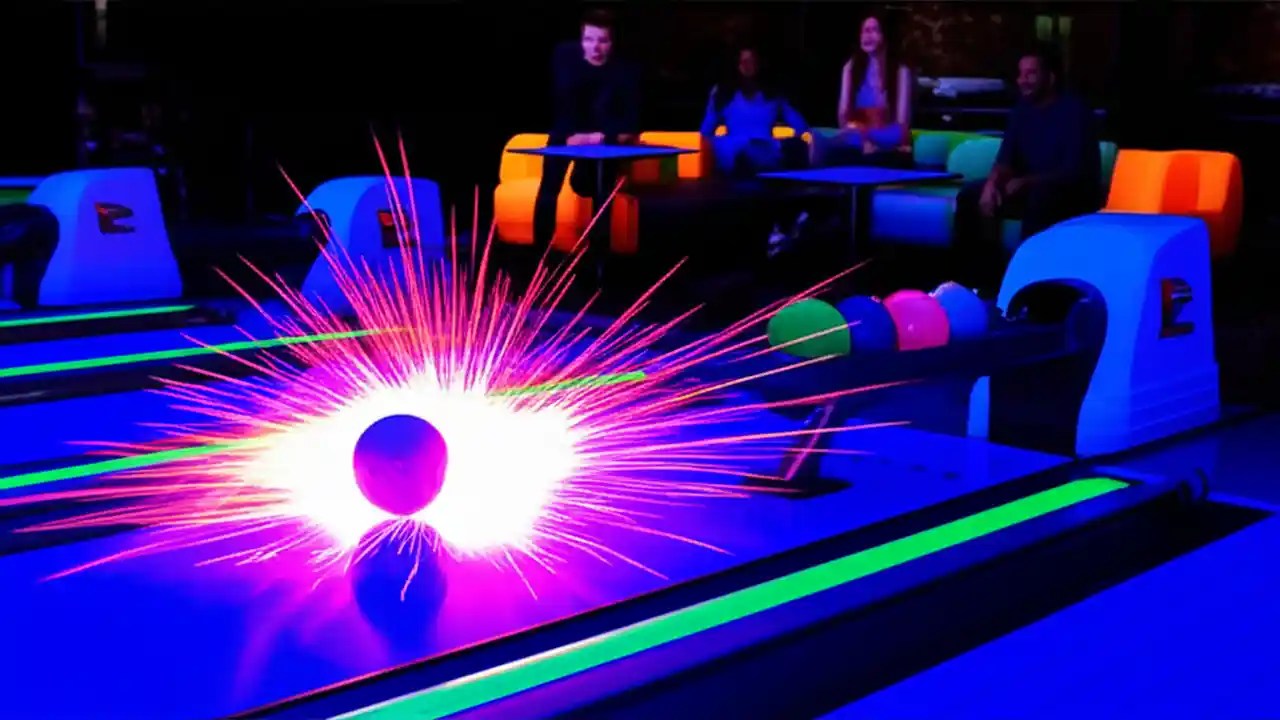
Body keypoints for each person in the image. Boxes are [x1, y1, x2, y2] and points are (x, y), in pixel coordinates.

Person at [955, 45, 1102, 291]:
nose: (1022, 80)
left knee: (1041, 199)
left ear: (1050, 78)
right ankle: (978, 285)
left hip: (1069, 193)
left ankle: (1027, 287)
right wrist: (991, 184)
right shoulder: (1022, 110)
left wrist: (1026, 182)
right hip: (1029, 189)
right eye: (1020, 74)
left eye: (1030, 74)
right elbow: (1006, 159)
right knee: (970, 196)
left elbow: (1074, 172)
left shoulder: (1075, 112)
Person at [532, 10, 641, 279]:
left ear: (612, 43)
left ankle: (599, 262)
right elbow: (561, 103)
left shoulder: (625, 70)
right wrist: (572, 136)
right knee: (548, 189)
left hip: (604, 139)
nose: (595, 47)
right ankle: (541, 259)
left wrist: (596, 137)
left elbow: (631, 123)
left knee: (601, 194)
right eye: (589, 40)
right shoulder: (565, 58)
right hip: (567, 133)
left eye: (603, 41)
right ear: (581, 40)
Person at [812, 13, 915, 167]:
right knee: (849, 137)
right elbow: (843, 117)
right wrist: (859, 133)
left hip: (887, 137)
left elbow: (902, 125)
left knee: (893, 135)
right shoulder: (850, 68)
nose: (868, 36)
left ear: (885, 35)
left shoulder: (900, 71)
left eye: (874, 30)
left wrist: (869, 135)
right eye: (865, 31)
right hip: (857, 136)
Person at [698, 46, 810, 177]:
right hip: (732, 154)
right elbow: (706, 131)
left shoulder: (772, 94)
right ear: (736, 65)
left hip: (765, 154)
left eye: (751, 61)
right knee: (737, 149)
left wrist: (784, 145)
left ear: (759, 64)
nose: (747, 66)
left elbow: (800, 126)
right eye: (743, 61)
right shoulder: (722, 92)